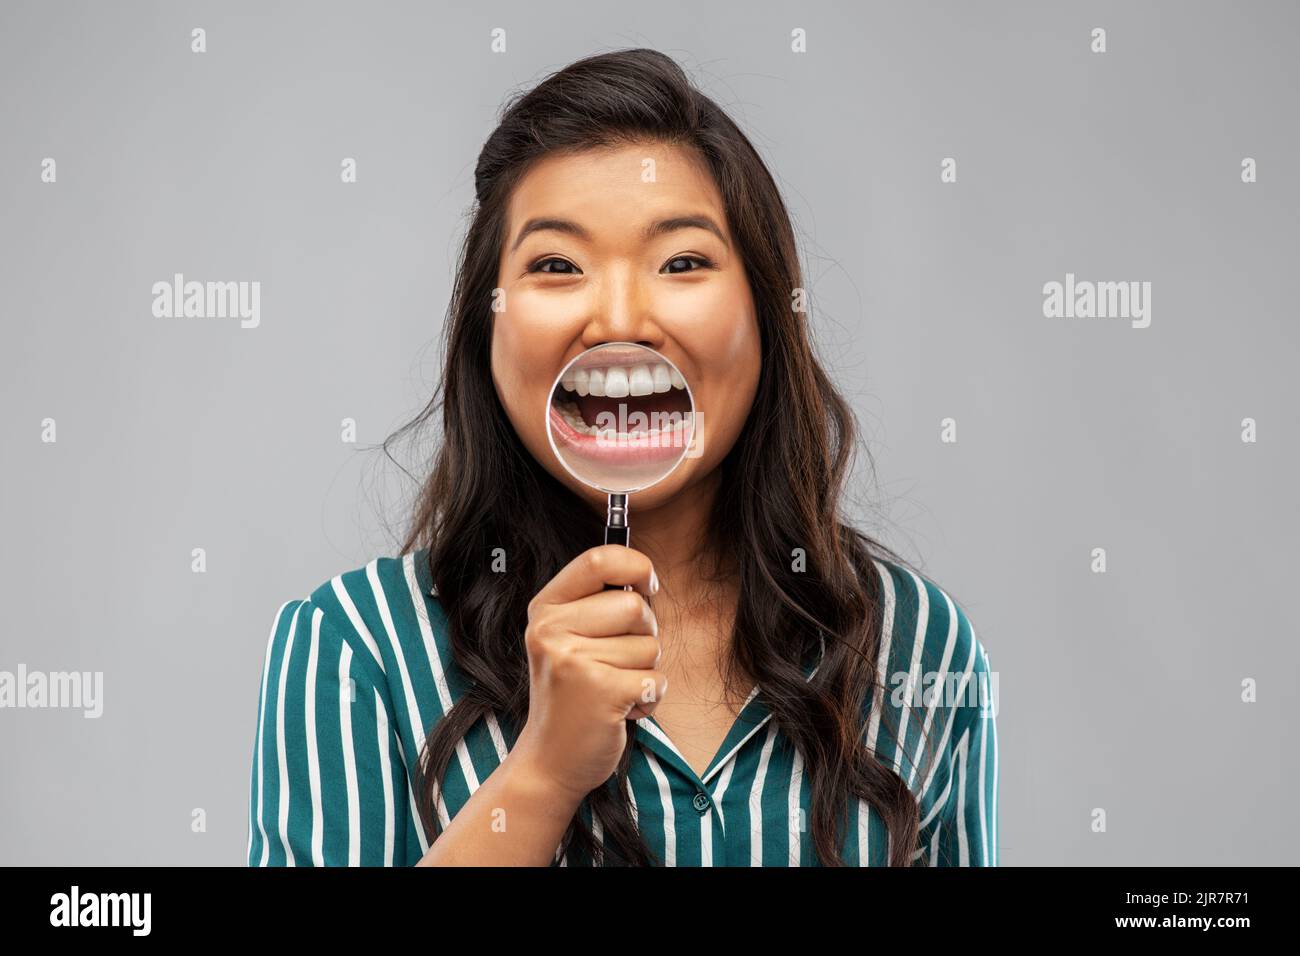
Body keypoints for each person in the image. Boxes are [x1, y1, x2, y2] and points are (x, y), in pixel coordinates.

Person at [247, 47, 997, 867]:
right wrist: (540, 774)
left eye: (681, 262)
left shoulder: (918, 648)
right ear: (485, 332)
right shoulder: (354, 648)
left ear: (766, 317)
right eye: (556, 266)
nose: (618, 319)